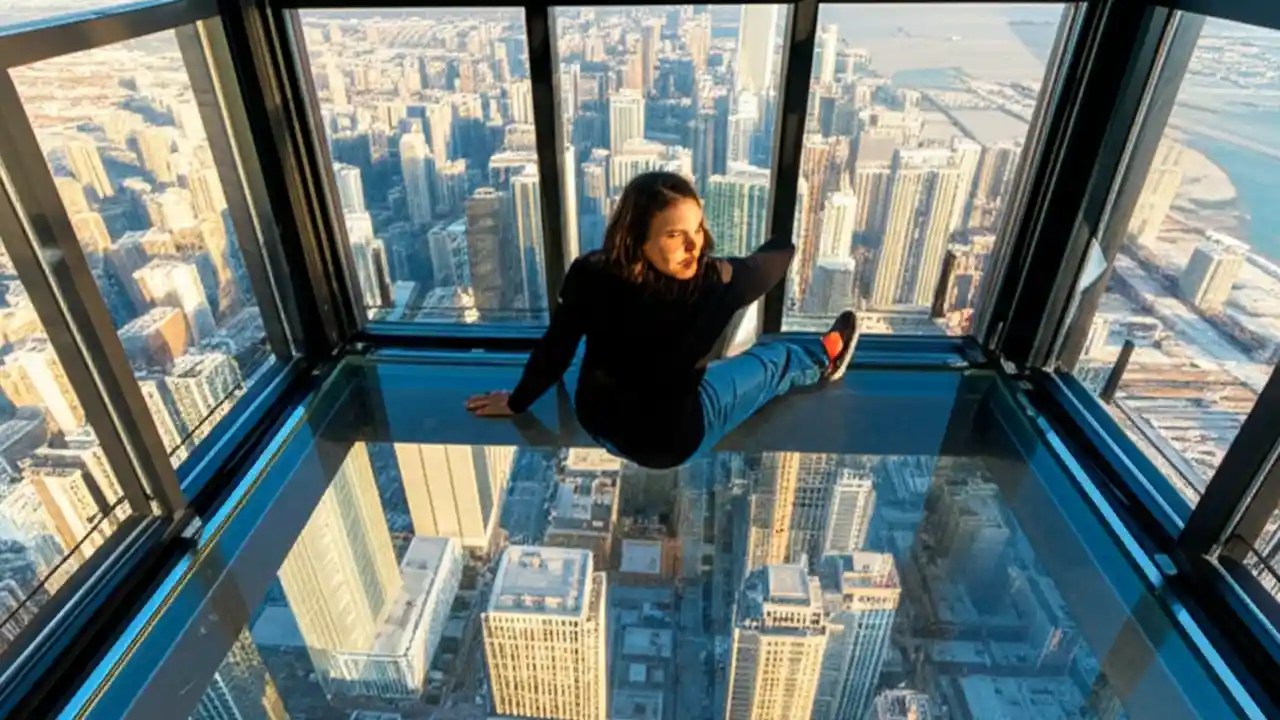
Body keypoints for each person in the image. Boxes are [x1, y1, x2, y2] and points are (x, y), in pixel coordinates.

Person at [465, 171, 858, 469]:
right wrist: (785, 242)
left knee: (582, 335)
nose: (694, 245)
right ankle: (822, 358)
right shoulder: (714, 282)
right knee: (773, 360)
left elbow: (557, 346)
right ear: (638, 238)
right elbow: (773, 263)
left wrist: (517, 402)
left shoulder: (591, 271)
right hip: (664, 444)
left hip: (596, 419)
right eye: (675, 235)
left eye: (697, 229)